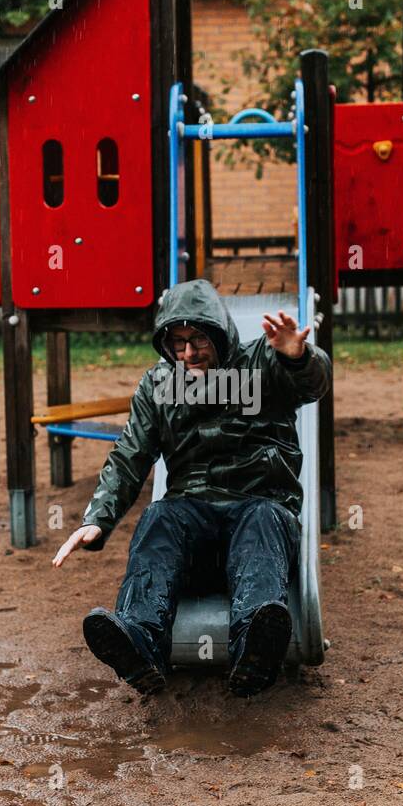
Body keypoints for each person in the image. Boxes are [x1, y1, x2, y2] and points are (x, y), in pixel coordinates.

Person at [52, 278, 331, 698]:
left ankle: (254, 647)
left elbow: (313, 383)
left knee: (263, 516)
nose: (188, 353)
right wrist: (97, 518)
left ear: (218, 332)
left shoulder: (262, 363)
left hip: (258, 512)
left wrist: (298, 356)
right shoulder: (159, 386)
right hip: (195, 527)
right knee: (161, 515)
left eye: (198, 339)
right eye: (177, 343)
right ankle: (139, 641)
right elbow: (131, 455)